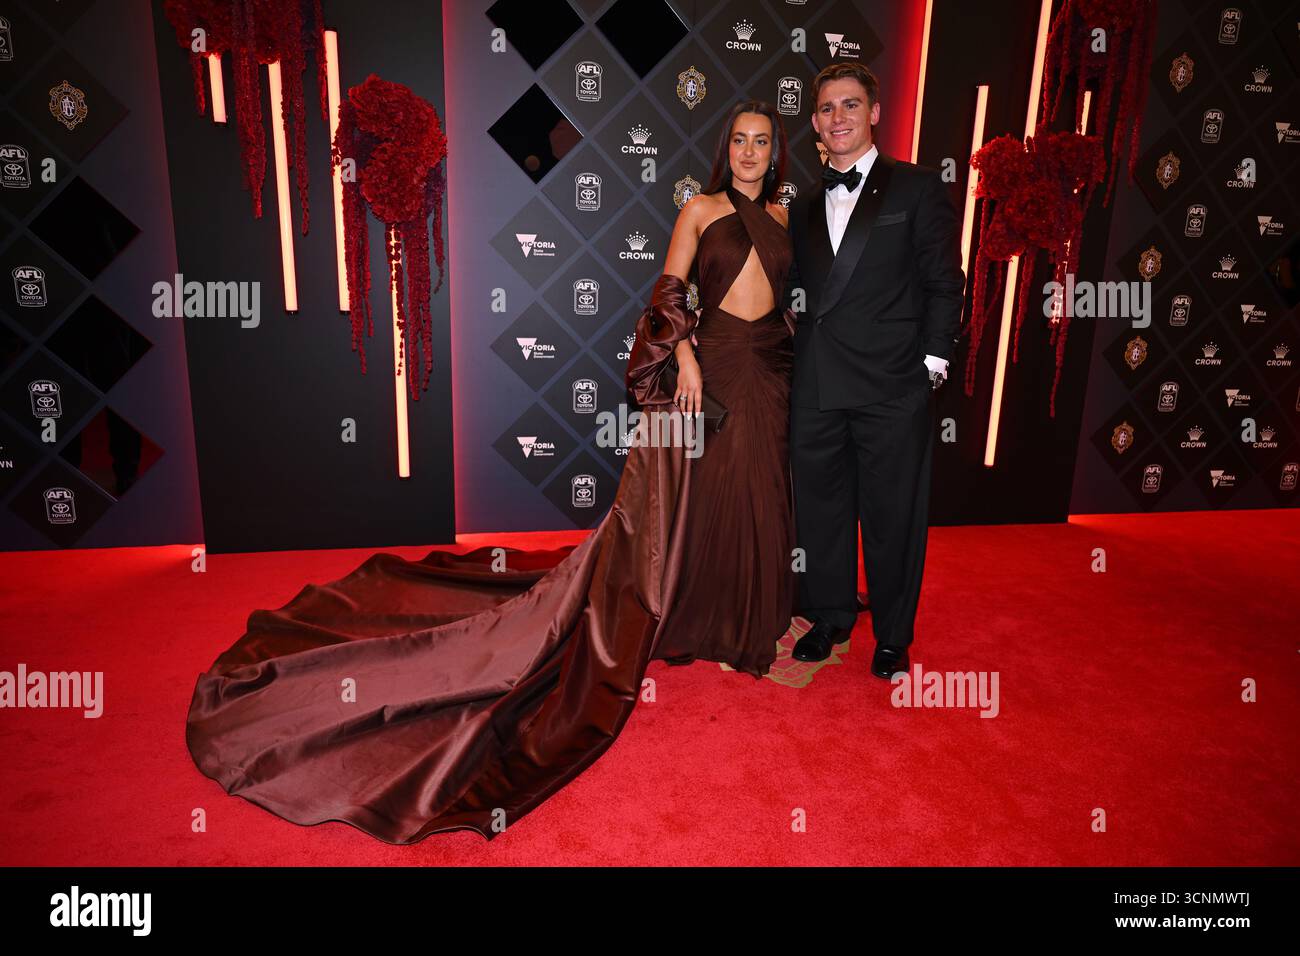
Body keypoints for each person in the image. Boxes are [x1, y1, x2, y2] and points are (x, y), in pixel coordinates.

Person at [184, 101, 798, 844]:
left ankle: (741, 619)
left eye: (762, 142)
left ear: (775, 151)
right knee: (699, 500)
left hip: (770, 372)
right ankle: (689, 612)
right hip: (714, 369)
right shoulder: (699, 209)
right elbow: (668, 296)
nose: (750, 152)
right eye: (740, 140)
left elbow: (787, 301)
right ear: (726, 148)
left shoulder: (785, 216)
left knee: (754, 493)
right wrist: (688, 360)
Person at [784, 63, 964, 678]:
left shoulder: (916, 187)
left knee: (893, 515)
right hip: (818, 384)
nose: (839, 117)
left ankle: (893, 634)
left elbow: (945, 282)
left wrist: (931, 366)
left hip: (892, 384)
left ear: (875, 113)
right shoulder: (803, 205)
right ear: (814, 123)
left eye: (851, 104)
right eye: (827, 108)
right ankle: (831, 615)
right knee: (821, 510)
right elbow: (797, 290)